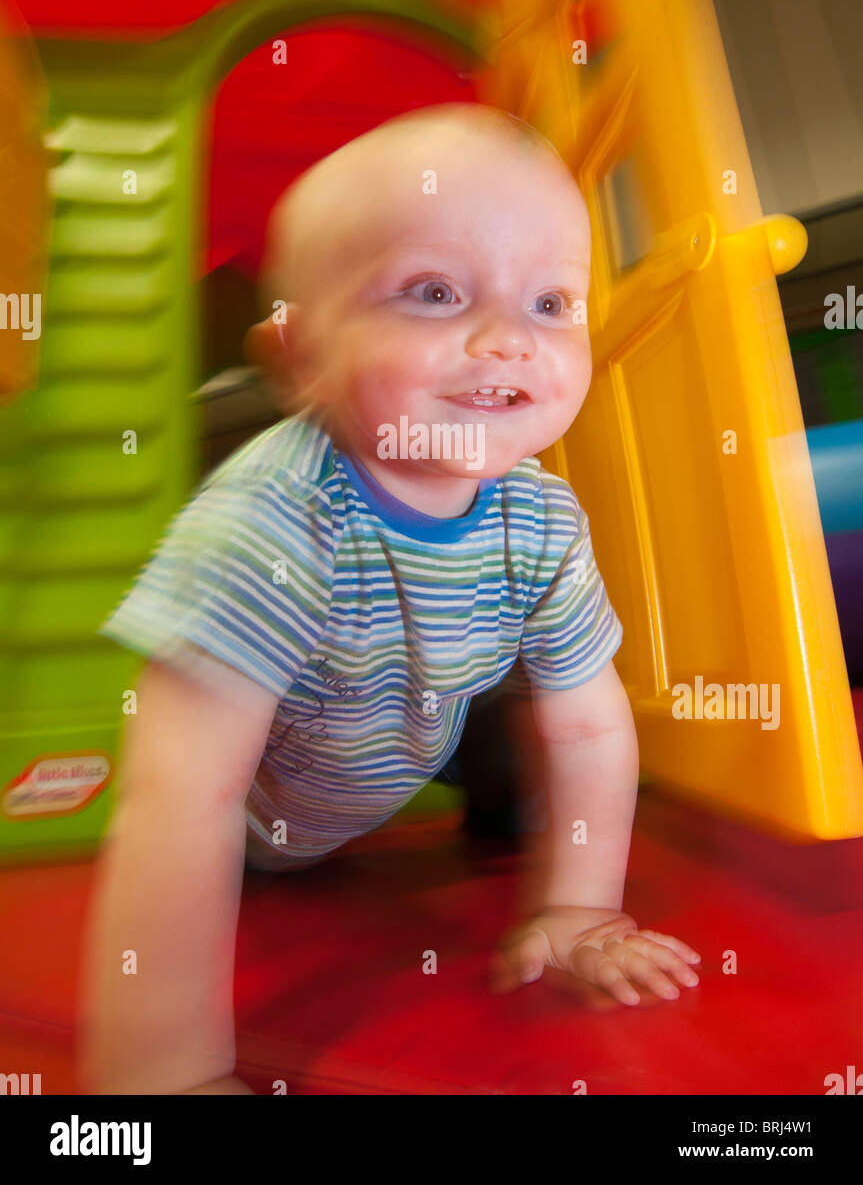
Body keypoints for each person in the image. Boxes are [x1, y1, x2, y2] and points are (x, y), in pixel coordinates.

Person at [80, 104, 700, 1096]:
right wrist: (160, 1072)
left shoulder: (537, 515)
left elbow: (587, 726)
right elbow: (180, 795)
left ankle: (500, 831)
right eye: (434, 292)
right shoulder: (275, 522)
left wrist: (578, 909)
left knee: (530, 705)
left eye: (550, 303)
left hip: (413, 739)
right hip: (262, 818)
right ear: (296, 359)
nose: (505, 340)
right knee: (228, 821)